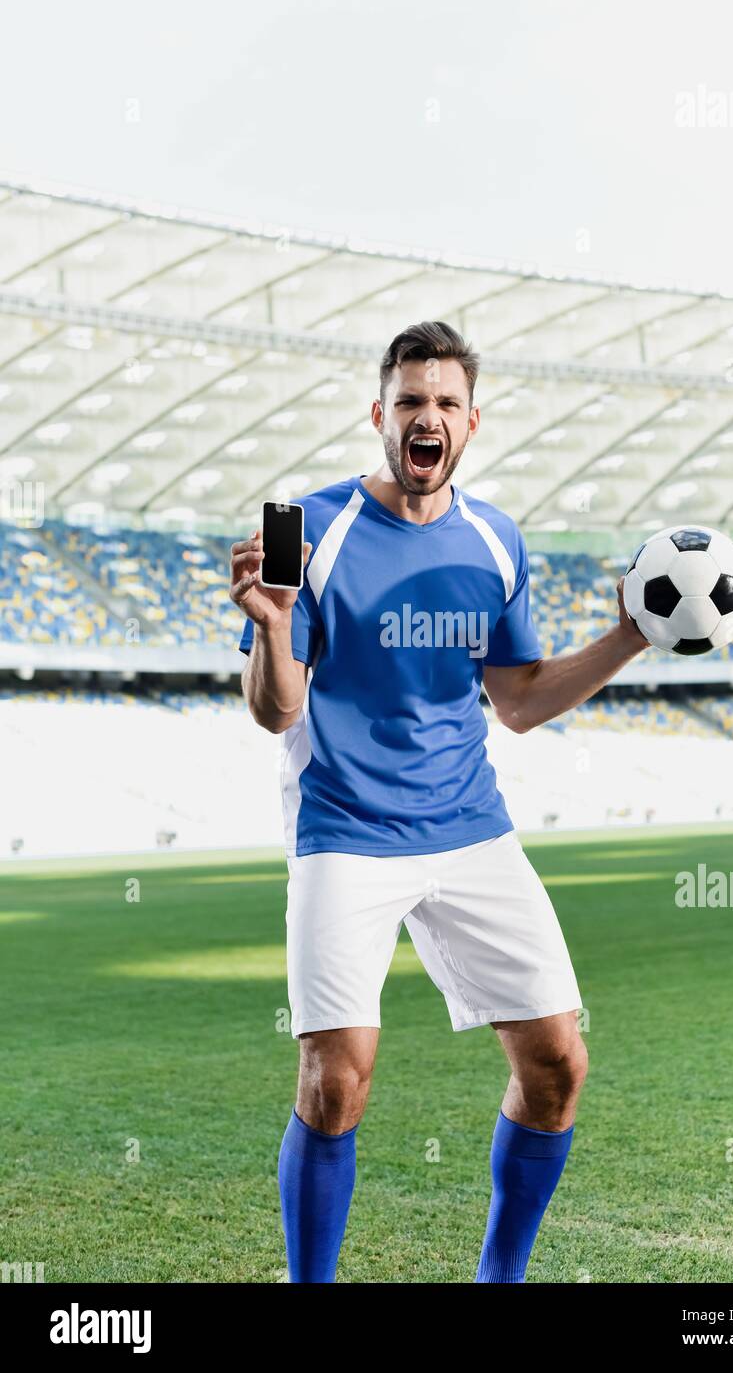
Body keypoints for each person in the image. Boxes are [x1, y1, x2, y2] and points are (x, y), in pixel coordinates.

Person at [230, 320, 649, 1283]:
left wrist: (629, 636)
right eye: (409, 401)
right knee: (336, 1083)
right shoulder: (307, 528)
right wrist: (273, 626)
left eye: (446, 403)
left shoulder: (497, 540)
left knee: (557, 1066)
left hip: (470, 828)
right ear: (380, 415)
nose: (428, 417)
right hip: (344, 829)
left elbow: (520, 701)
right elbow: (274, 709)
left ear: (471, 423)